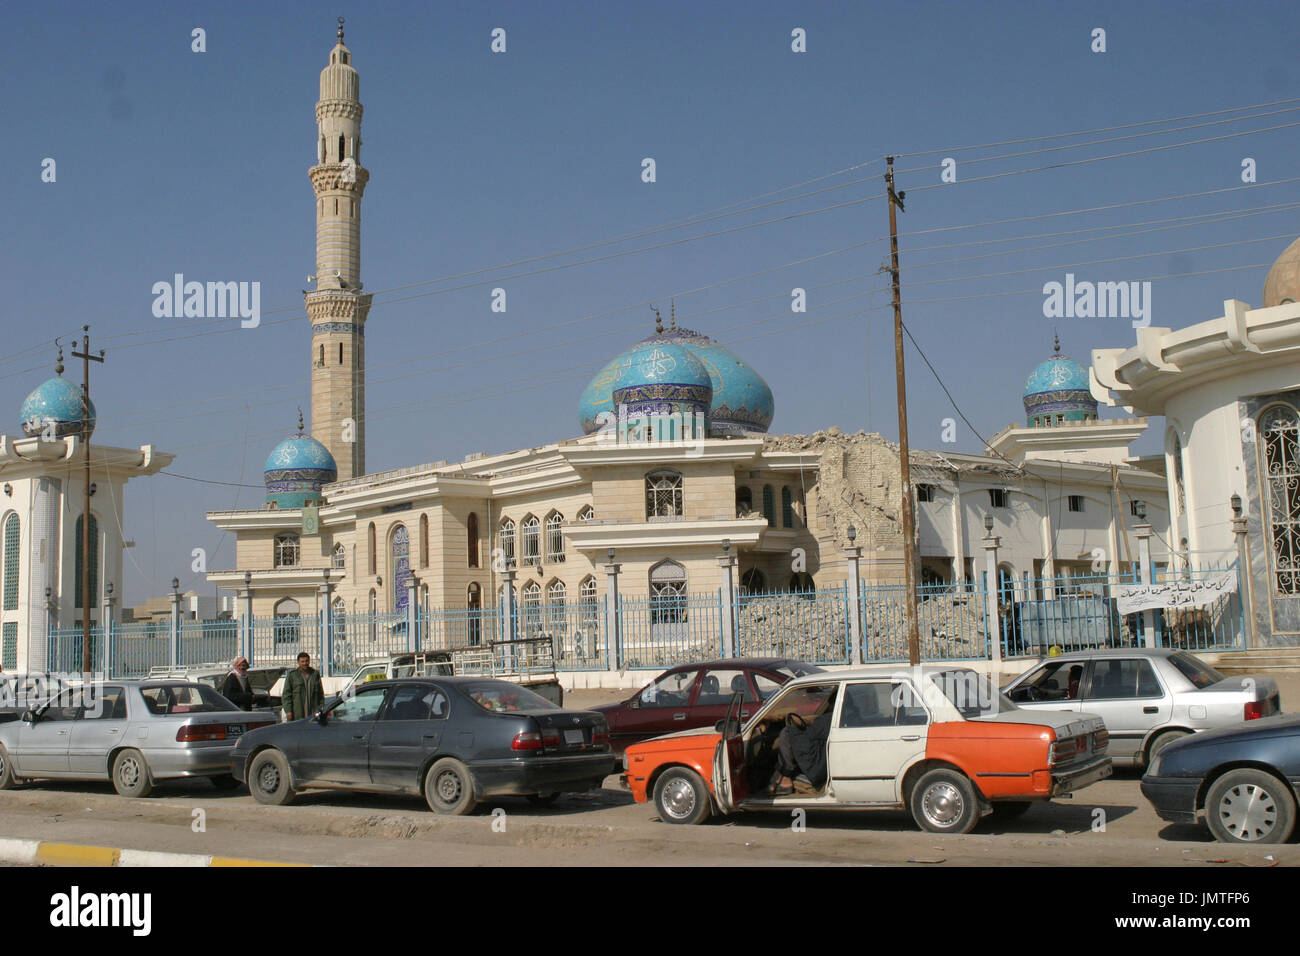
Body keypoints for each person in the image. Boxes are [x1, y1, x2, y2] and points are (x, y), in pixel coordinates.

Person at [771, 689, 837, 795]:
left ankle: (786, 777)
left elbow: (809, 736)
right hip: (825, 760)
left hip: (819, 765)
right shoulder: (841, 718)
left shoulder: (828, 720)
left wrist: (795, 731)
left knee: (787, 733)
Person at [281, 652, 324, 721]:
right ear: (298, 662)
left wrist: (321, 708)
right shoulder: (292, 675)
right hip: (297, 714)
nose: (305, 663)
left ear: (309, 661)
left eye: (306, 661)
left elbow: (320, 694)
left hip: (313, 713)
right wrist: (288, 711)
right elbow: (286, 695)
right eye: (302, 661)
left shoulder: (315, 674)